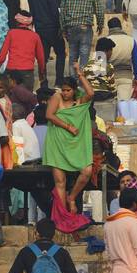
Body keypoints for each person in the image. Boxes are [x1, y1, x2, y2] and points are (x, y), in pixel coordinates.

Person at [42, 65, 97, 217]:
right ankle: (62, 215)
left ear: (74, 90)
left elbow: (91, 93)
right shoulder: (56, 97)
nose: (65, 93)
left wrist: (80, 74)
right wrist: (68, 127)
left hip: (75, 145)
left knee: (86, 171)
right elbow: (49, 115)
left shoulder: (79, 102)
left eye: (68, 90)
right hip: (57, 144)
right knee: (60, 181)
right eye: (63, 90)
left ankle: (71, 197)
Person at [59, 0, 103, 71]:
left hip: (71, 27)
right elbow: (99, 11)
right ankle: (82, 81)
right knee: (84, 55)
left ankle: (73, 80)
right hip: (85, 27)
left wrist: (63, 29)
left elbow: (62, 13)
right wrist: (100, 25)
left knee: (73, 55)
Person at [27, 0, 64, 82]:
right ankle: (59, 81)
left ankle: (44, 83)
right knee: (61, 53)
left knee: (43, 57)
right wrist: (60, 26)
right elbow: (54, 10)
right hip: (52, 27)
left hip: (39, 27)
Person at [0, 12, 46, 90]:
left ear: (17, 22)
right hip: (27, 73)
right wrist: (41, 72)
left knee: (8, 98)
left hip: (11, 71)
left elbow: (2, 54)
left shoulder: (11, 33)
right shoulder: (35, 36)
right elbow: (41, 58)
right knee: (26, 99)